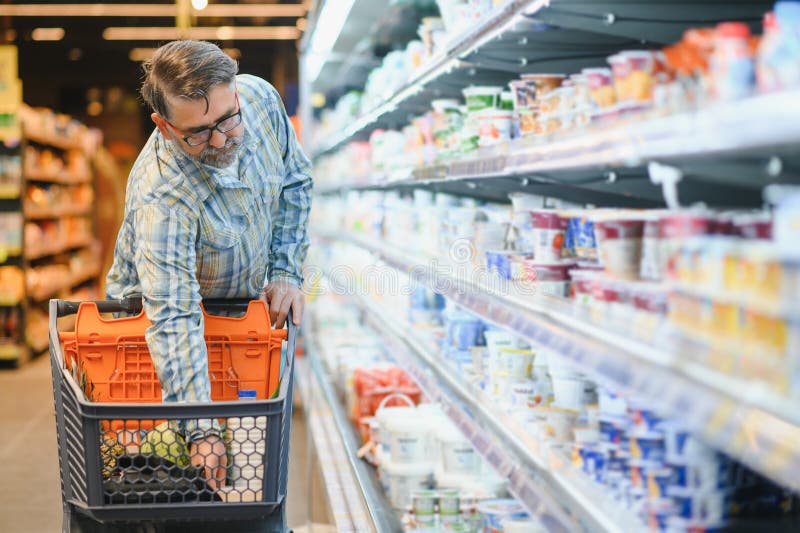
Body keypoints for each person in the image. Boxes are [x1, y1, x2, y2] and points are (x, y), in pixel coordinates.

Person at [106, 40, 313, 488]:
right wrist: (198, 427)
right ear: (163, 126)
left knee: (247, 477)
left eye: (227, 120)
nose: (221, 139)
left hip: (237, 322)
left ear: (236, 90)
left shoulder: (259, 99)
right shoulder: (162, 193)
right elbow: (174, 315)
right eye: (197, 133)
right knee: (162, 486)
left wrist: (284, 272)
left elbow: (295, 183)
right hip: (153, 345)